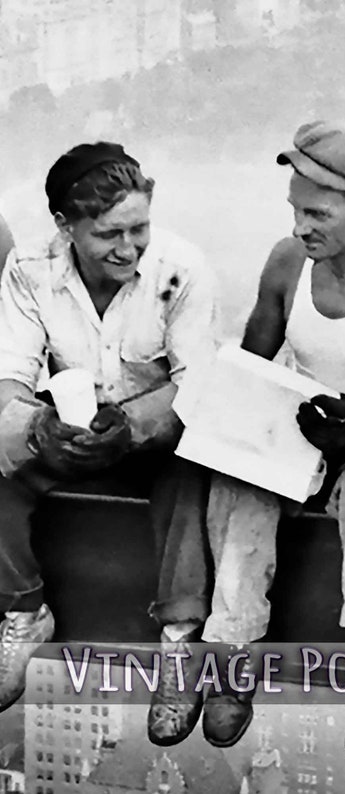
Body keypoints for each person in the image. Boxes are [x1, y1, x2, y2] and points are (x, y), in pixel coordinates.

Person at [198, 121, 345, 751]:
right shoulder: (286, 260)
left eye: (318, 214)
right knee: (240, 489)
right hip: (298, 420)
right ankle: (233, 650)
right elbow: (252, 364)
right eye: (295, 210)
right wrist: (236, 431)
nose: (302, 227)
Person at [0, 142, 217, 747]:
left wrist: (131, 426)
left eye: (138, 228)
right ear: (66, 227)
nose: (127, 248)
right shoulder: (29, 268)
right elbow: (11, 371)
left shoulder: (182, 268)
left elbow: (194, 384)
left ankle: (179, 645)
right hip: (69, 425)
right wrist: (35, 426)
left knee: (191, 471)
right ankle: (22, 611)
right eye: (108, 234)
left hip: (154, 432)